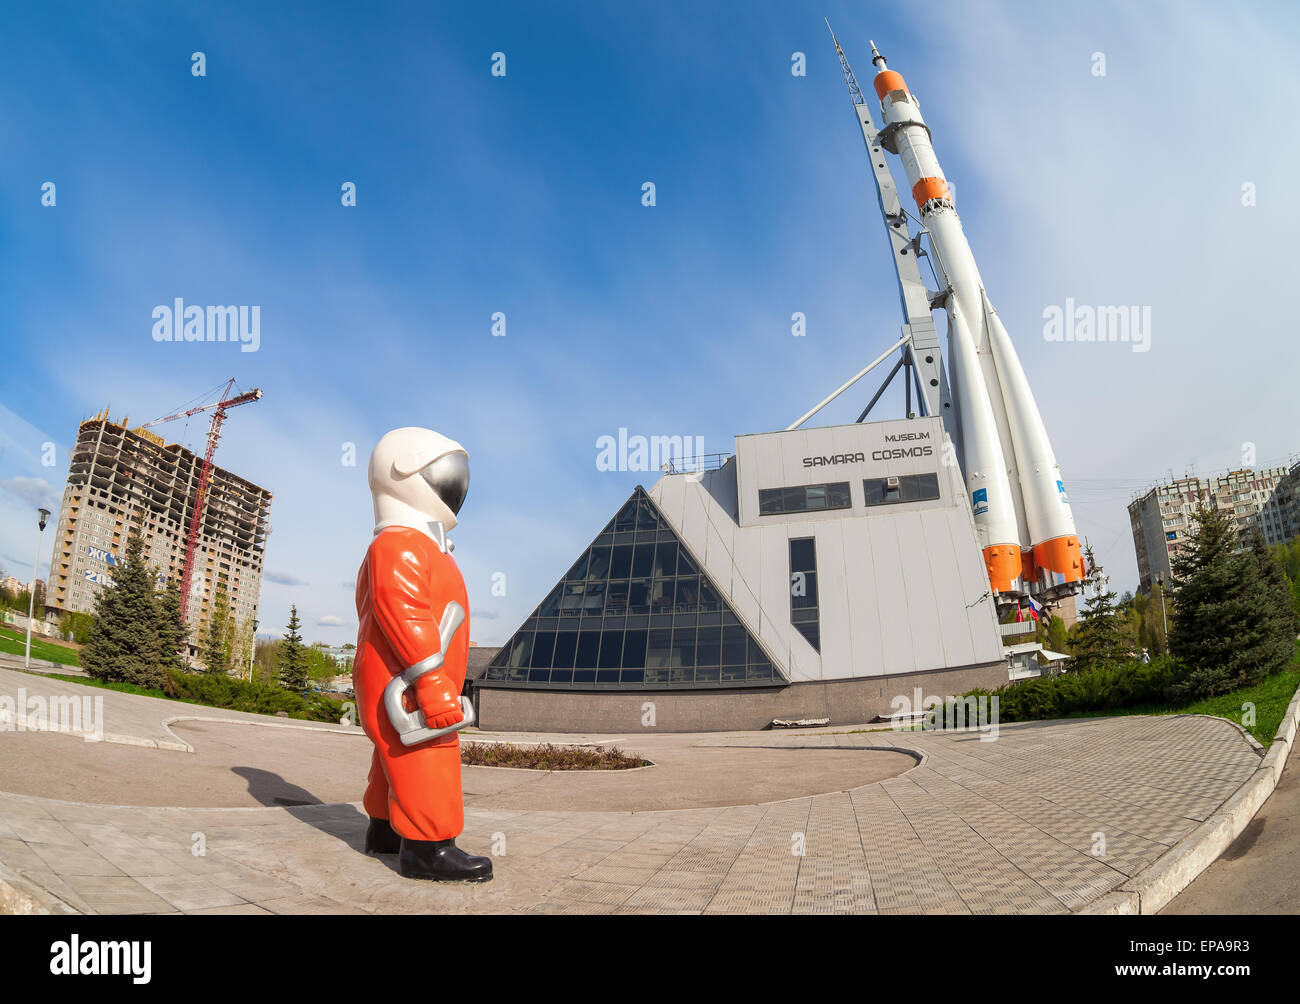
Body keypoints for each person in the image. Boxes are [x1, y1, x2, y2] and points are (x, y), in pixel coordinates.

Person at [351, 427, 492, 882]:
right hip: (410, 681)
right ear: (404, 470)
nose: (457, 487)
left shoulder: (402, 542)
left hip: (395, 674)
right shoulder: (401, 543)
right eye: (448, 475)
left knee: (394, 751)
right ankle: (429, 848)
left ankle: (386, 831)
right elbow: (404, 614)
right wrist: (431, 683)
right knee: (428, 750)